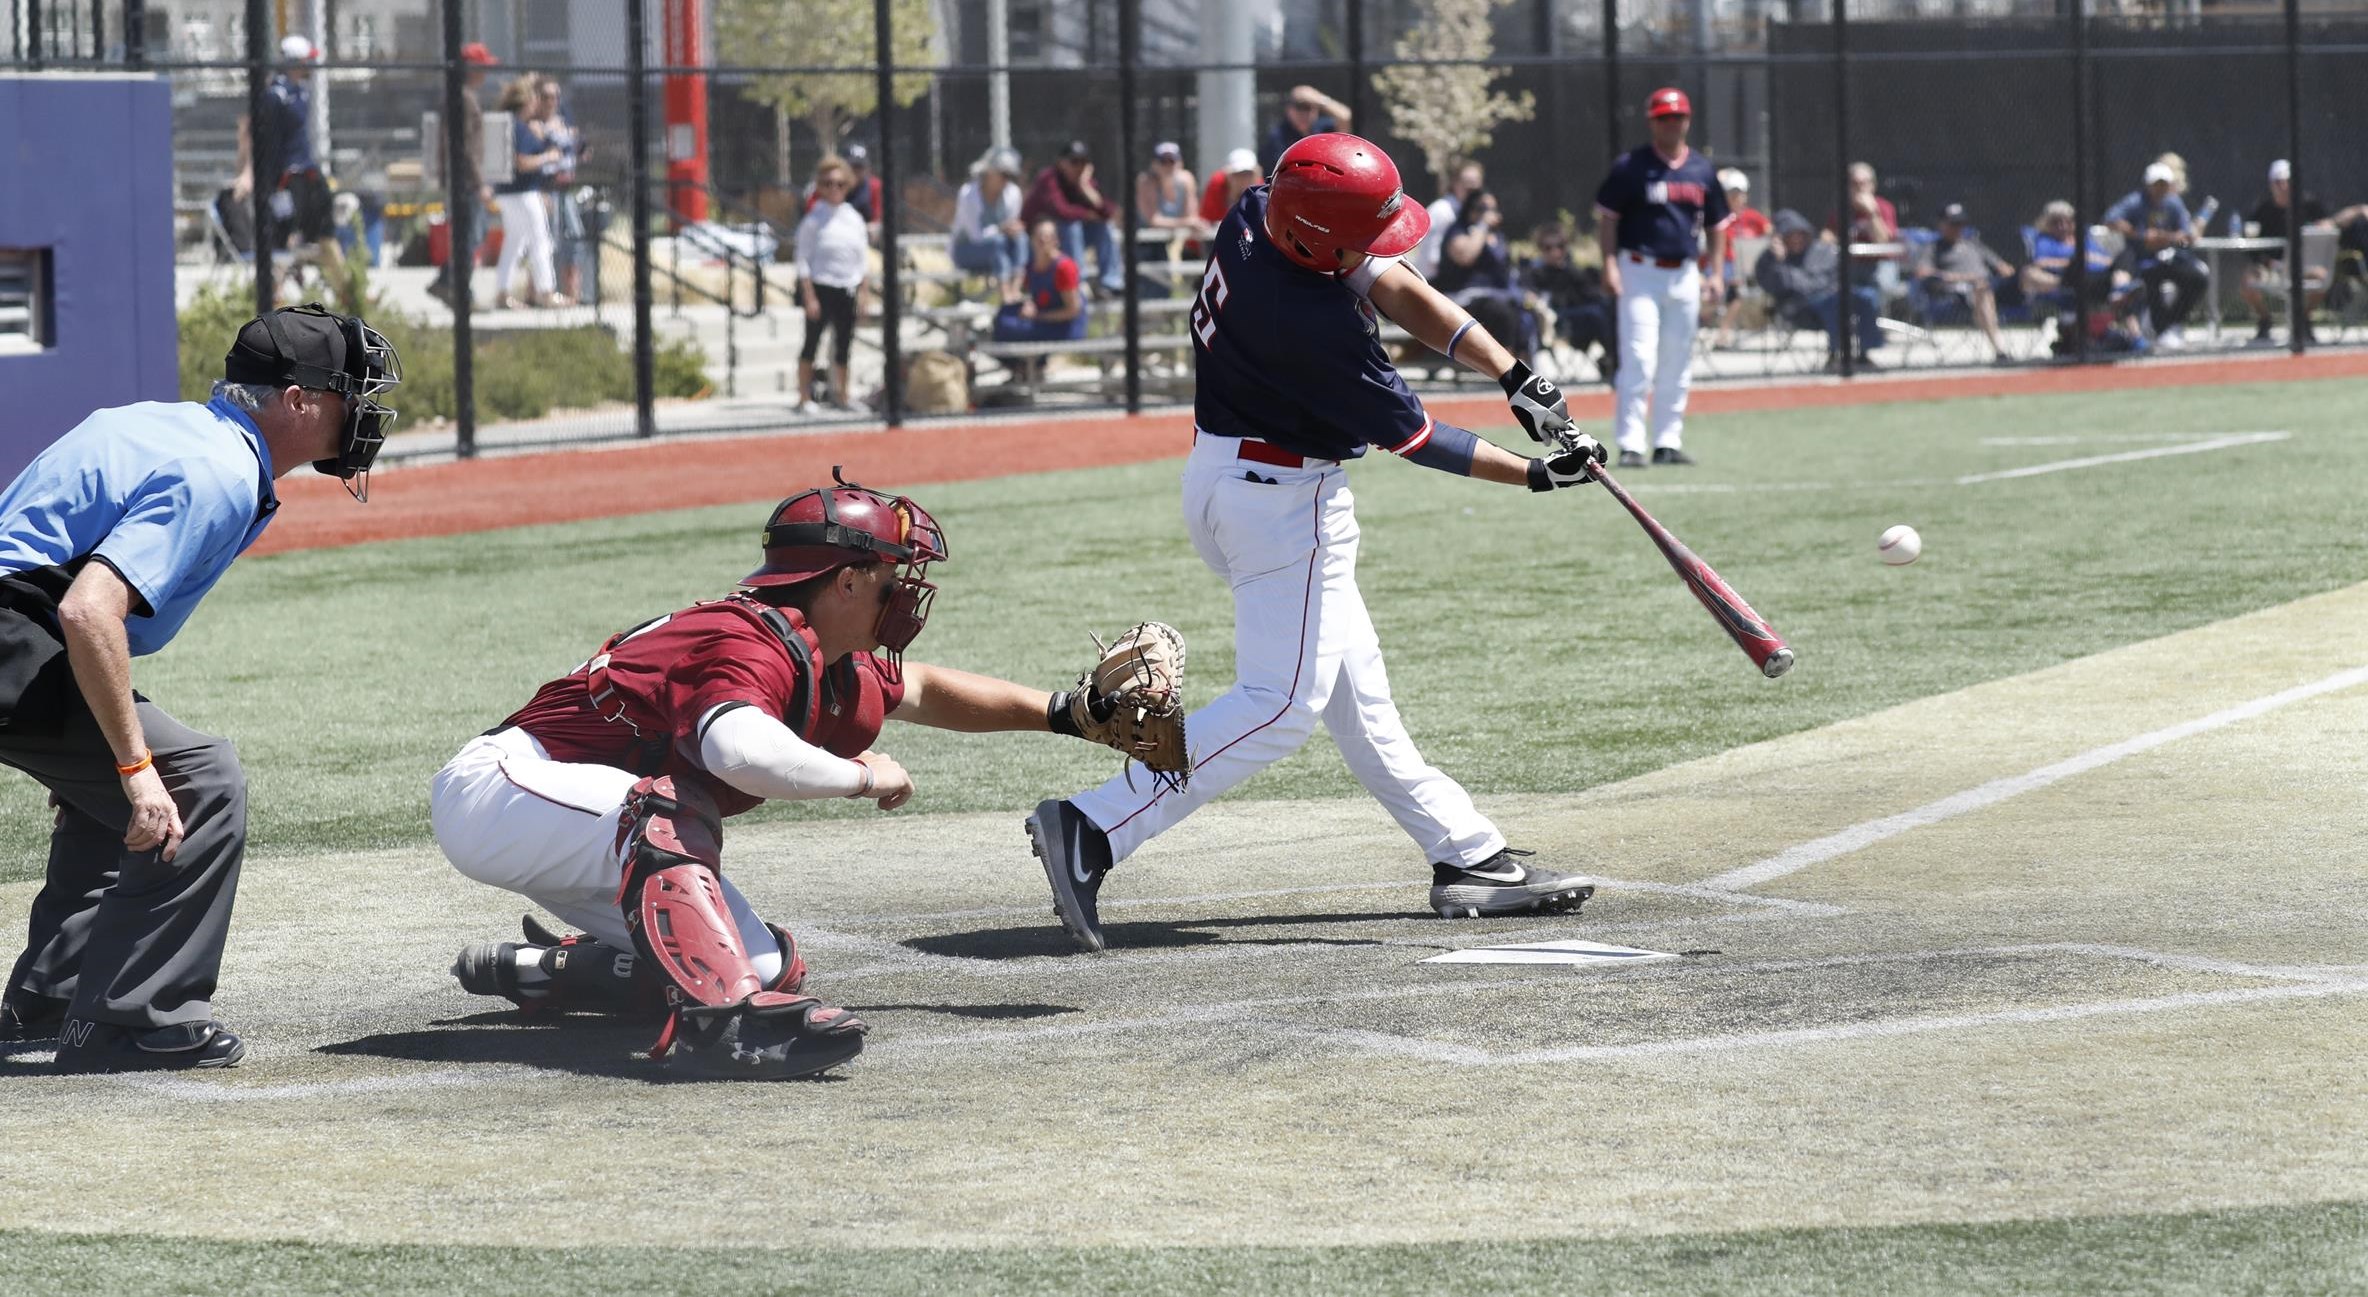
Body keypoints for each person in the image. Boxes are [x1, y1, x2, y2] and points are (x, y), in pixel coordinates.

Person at [1024, 132, 1606, 954]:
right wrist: (1539, 475)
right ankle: (1091, 825)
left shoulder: (1265, 208)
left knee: (1358, 699)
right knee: (1281, 704)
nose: (1374, 249)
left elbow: (1394, 281)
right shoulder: (1310, 322)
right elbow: (1421, 439)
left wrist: (1514, 375)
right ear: (1317, 239)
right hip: (1279, 504)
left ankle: (1467, 853)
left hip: (1239, 476)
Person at [433, 479, 1185, 1078]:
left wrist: (1066, 713)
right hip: (504, 789)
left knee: (765, 963)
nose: (905, 595)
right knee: (663, 815)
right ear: (848, 579)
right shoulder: (748, 635)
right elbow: (735, 748)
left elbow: (922, 689)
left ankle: (566, 973)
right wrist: (858, 776)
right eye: (892, 578)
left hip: (587, 826)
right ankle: (721, 1029)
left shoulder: (823, 657)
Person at [0, 305, 399, 1072]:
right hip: (16, 640)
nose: (364, 411)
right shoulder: (217, 469)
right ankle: (131, 1018)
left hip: (18, 637)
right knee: (201, 781)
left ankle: (49, 1000)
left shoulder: (174, 425)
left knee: (126, 785)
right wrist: (130, 765)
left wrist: (100, 760)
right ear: (298, 400)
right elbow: (88, 610)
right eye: (352, 392)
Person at [1593, 87, 1729, 469]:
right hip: (1639, 269)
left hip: (1684, 273)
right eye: (1664, 117)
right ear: (1652, 122)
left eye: (1678, 116)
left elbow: (1718, 225)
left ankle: (1668, 441)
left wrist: (1716, 272)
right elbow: (1608, 217)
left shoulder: (1702, 169)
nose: (1672, 123)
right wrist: (1609, 264)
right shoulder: (1631, 166)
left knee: (1677, 359)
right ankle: (1631, 443)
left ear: (1687, 120)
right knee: (1638, 356)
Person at [253, 35, 347, 300]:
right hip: (286, 177)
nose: (310, 66)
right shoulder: (275, 96)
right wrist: (271, 184)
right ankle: (274, 294)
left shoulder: (301, 91)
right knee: (284, 232)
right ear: (295, 62)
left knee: (326, 223)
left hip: (306, 171)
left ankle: (345, 287)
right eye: (307, 61)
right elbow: (267, 143)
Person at [1755, 209, 1884, 367]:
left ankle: (1865, 352)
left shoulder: (1822, 251)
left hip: (1834, 299)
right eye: (1790, 236)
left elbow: (1834, 279)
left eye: (1800, 234)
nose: (1797, 240)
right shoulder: (1770, 259)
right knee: (1833, 302)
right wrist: (1780, 263)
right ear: (1781, 237)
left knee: (1865, 296)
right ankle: (1836, 354)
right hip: (1799, 309)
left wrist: (1820, 287)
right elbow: (1776, 286)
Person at [2103, 162, 2208, 348]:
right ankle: (2158, 330)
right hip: (2140, 260)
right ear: (2148, 184)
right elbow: (2110, 219)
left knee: (2198, 277)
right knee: (2151, 279)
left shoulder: (2173, 203)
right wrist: (2140, 235)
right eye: (2156, 184)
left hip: (2168, 257)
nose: (2160, 189)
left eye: (2164, 184)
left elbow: (2185, 234)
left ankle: (2172, 324)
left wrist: (2167, 238)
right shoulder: (2135, 201)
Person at [428, 42, 499, 311]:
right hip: (466, 182)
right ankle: (460, 292)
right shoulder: (464, 98)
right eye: (483, 68)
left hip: (462, 180)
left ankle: (448, 281)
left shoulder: (461, 95)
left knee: (471, 235)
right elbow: (464, 145)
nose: (486, 74)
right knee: (470, 236)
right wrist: (479, 183)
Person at [794, 156, 867, 413]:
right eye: (827, 184)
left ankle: (843, 395)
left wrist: (863, 294)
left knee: (844, 344)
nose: (834, 189)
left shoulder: (853, 218)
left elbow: (862, 259)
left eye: (839, 184)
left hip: (846, 286)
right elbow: (802, 259)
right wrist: (809, 295)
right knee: (812, 342)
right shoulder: (813, 219)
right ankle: (804, 397)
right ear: (820, 186)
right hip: (820, 285)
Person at [1431, 189, 1538, 362]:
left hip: (1500, 296)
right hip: (1464, 298)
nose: (1489, 214)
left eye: (1492, 209)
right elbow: (1465, 257)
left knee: (1523, 311)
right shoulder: (1458, 230)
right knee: (1500, 311)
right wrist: (1481, 226)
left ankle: (1525, 367)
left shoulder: (1498, 236)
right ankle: (1506, 368)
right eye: (1482, 208)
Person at [2239, 159, 2332, 345]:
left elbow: (2328, 225)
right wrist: (2267, 263)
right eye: (2278, 182)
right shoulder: (2263, 210)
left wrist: (2323, 226)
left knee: (2323, 277)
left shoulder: (2309, 205)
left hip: (2303, 267)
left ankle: (2303, 320)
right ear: (2271, 184)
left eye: (2286, 181)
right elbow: (2251, 244)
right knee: (2247, 283)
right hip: (2272, 268)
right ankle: (2265, 319)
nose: (2283, 186)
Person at [492, 75, 565, 310]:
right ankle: (546, 292)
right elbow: (522, 162)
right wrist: (548, 156)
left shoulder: (511, 124)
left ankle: (502, 293)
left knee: (514, 242)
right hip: (524, 193)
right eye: (534, 98)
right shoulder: (521, 128)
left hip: (507, 193)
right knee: (540, 240)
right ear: (527, 102)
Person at [1021, 140, 1124, 296]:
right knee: (1072, 226)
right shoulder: (1048, 178)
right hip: (1038, 241)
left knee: (1105, 227)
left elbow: (1108, 213)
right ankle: (1077, 282)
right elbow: (1060, 210)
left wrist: (1085, 187)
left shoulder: (1084, 181)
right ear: (1061, 162)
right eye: (1074, 161)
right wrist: (1087, 214)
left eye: (1083, 162)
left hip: (1067, 240)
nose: (1079, 167)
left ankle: (1111, 282)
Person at [1914, 203, 2015, 361]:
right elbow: (1922, 273)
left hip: (1990, 288)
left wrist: (2005, 272)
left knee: (1988, 287)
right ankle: (2000, 350)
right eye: (1953, 224)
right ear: (1941, 224)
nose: (1958, 228)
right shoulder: (1933, 247)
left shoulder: (1973, 243)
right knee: (1981, 291)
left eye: (1961, 224)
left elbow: (2005, 268)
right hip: (1956, 294)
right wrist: (1956, 277)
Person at [1522, 223, 1618, 380]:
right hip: (1552, 321)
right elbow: (1530, 296)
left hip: (1579, 322)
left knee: (1606, 308)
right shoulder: (1535, 274)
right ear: (1541, 250)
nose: (1555, 252)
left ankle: (1613, 360)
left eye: (1559, 246)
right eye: (1548, 248)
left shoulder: (1573, 271)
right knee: (1595, 314)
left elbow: (1591, 294)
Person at [992, 219, 1088, 345]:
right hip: (1042, 319)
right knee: (1004, 315)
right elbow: (1029, 295)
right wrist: (1028, 305)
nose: (1042, 240)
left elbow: (1073, 310)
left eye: (1047, 237)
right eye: (1038, 236)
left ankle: (1027, 363)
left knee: (1006, 328)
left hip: (1063, 327)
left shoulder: (1064, 267)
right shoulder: (1031, 266)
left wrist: (1039, 316)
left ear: (1056, 241)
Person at [539, 76, 588, 305]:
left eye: (555, 96)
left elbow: (578, 147)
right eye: (547, 97)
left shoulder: (564, 122)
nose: (552, 101)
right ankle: (541, 291)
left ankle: (574, 291)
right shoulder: (536, 125)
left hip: (566, 188)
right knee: (550, 240)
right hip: (547, 188)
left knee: (575, 236)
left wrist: (580, 150)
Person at [950, 147, 1027, 288]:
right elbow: (976, 236)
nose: (1007, 180)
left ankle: (1016, 289)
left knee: (1021, 239)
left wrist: (1013, 230)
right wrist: (1000, 229)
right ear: (989, 172)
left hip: (1000, 249)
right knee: (997, 243)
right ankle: (1006, 294)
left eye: (1010, 176)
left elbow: (1011, 229)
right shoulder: (968, 194)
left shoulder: (1013, 194)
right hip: (966, 250)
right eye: (1004, 174)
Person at [1710, 167, 1769, 348]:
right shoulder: (1719, 217)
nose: (1737, 198)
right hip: (1724, 266)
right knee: (1734, 290)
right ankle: (1723, 333)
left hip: (1752, 270)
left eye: (1739, 194)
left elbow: (1770, 233)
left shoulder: (1753, 217)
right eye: (1732, 194)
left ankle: (1726, 331)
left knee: (1740, 287)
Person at [1414, 159, 1485, 282]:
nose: (1471, 188)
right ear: (1454, 183)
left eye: (1475, 184)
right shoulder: (1442, 211)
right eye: (1466, 183)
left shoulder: (1472, 212)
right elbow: (1432, 259)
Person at [1259, 85, 1353, 175]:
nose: (1304, 114)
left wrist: (1320, 99)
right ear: (1289, 109)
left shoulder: (1323, 128)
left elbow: (1345, 118)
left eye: (1309, 108)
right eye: (1299, 107)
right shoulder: (1279, 136)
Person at [1198, 148, 1262, 232]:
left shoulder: (1261, 190)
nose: (1244, 179)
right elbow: (1206, 220)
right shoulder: (1216, 185)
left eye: (1249, 174)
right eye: (1238, 174)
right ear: (1228, 175)